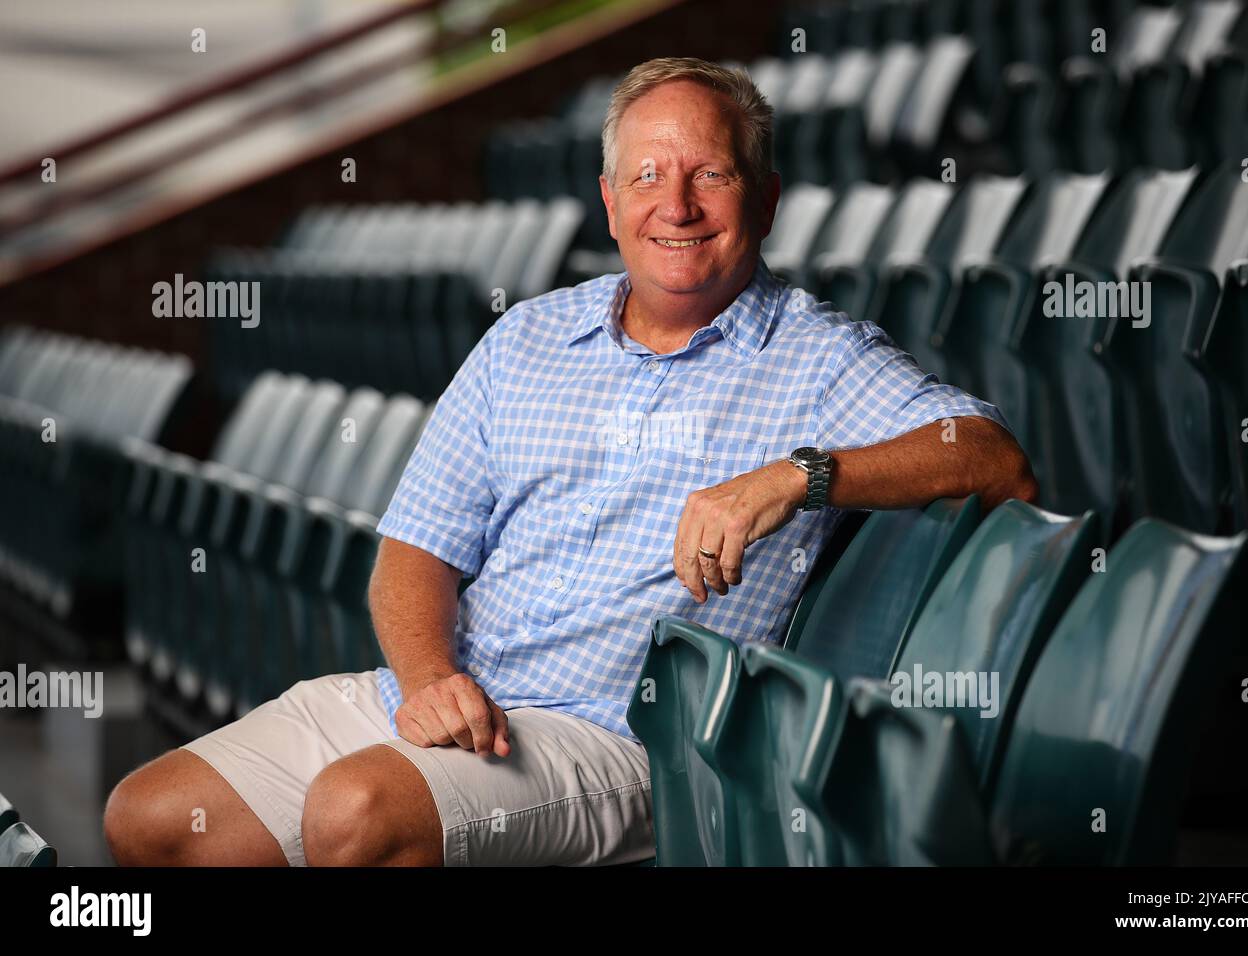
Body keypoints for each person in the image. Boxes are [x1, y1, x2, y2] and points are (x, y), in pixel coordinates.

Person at [104, 57, 1036, 867]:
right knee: (153, 820)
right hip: (452, 694)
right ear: (609, 200)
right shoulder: (527, 338)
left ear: (767, 197)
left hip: (619, 735)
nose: (675, 206)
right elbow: (413, 554)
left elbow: (994, 459)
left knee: (357, 814)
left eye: (710, 174)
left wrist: (798, 475)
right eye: (647, 176)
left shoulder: (821, 357)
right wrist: (430, 682)